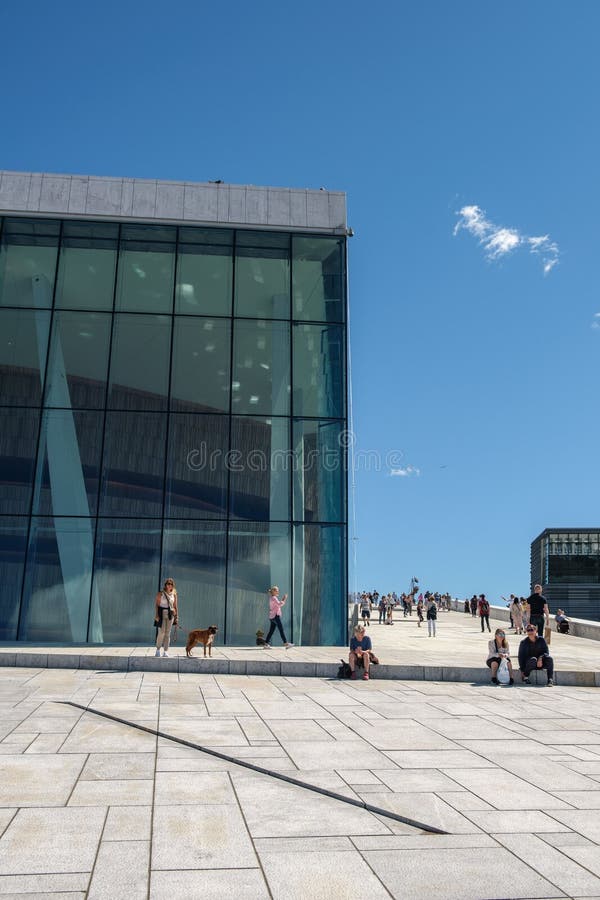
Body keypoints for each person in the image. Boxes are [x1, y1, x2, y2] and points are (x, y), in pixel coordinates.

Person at [154, 578, 178, 658]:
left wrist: (177, 616)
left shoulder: (174, 594)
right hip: (161, 613)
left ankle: (165, 651)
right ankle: (158, 649)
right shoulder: (160, 593)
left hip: (171, 614)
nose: (169, 585)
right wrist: (156, 615)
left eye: (171, 584)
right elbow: (157, 605)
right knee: (161, 632)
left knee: (168, 633)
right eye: (168, 584)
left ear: (173, 586)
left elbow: (175, 606)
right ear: (165, 585)